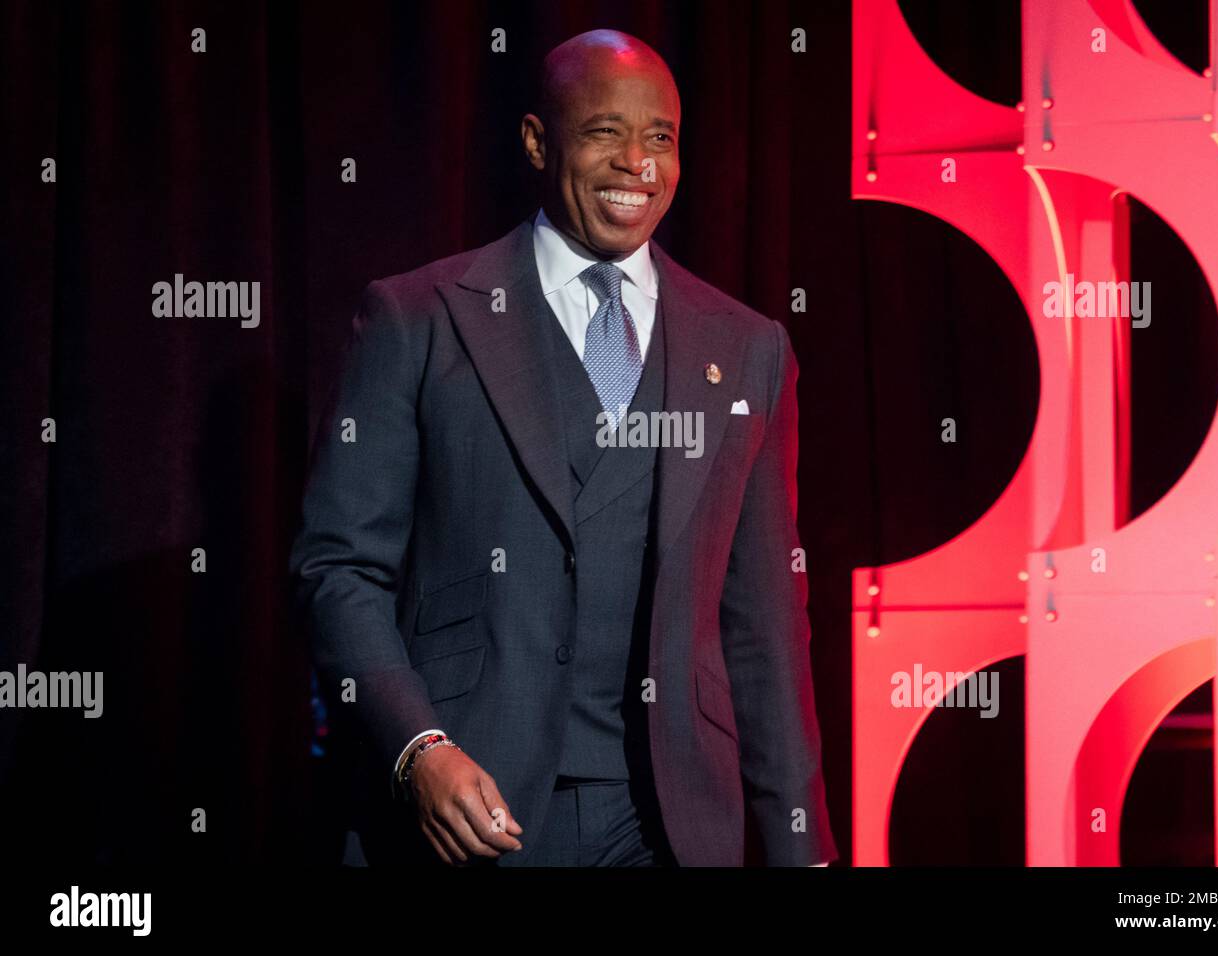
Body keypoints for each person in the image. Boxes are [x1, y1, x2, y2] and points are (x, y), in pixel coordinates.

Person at [290, 28, 836, 867]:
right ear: (539, 143)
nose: (637, 163)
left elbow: (765, 623)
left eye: (660, 137)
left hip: (670, 821)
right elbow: (340, 570)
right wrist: (418, 749)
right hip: (475, 815)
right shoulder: (421, 318)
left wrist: (805, 848)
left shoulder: (749, 347)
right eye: (604, 132)